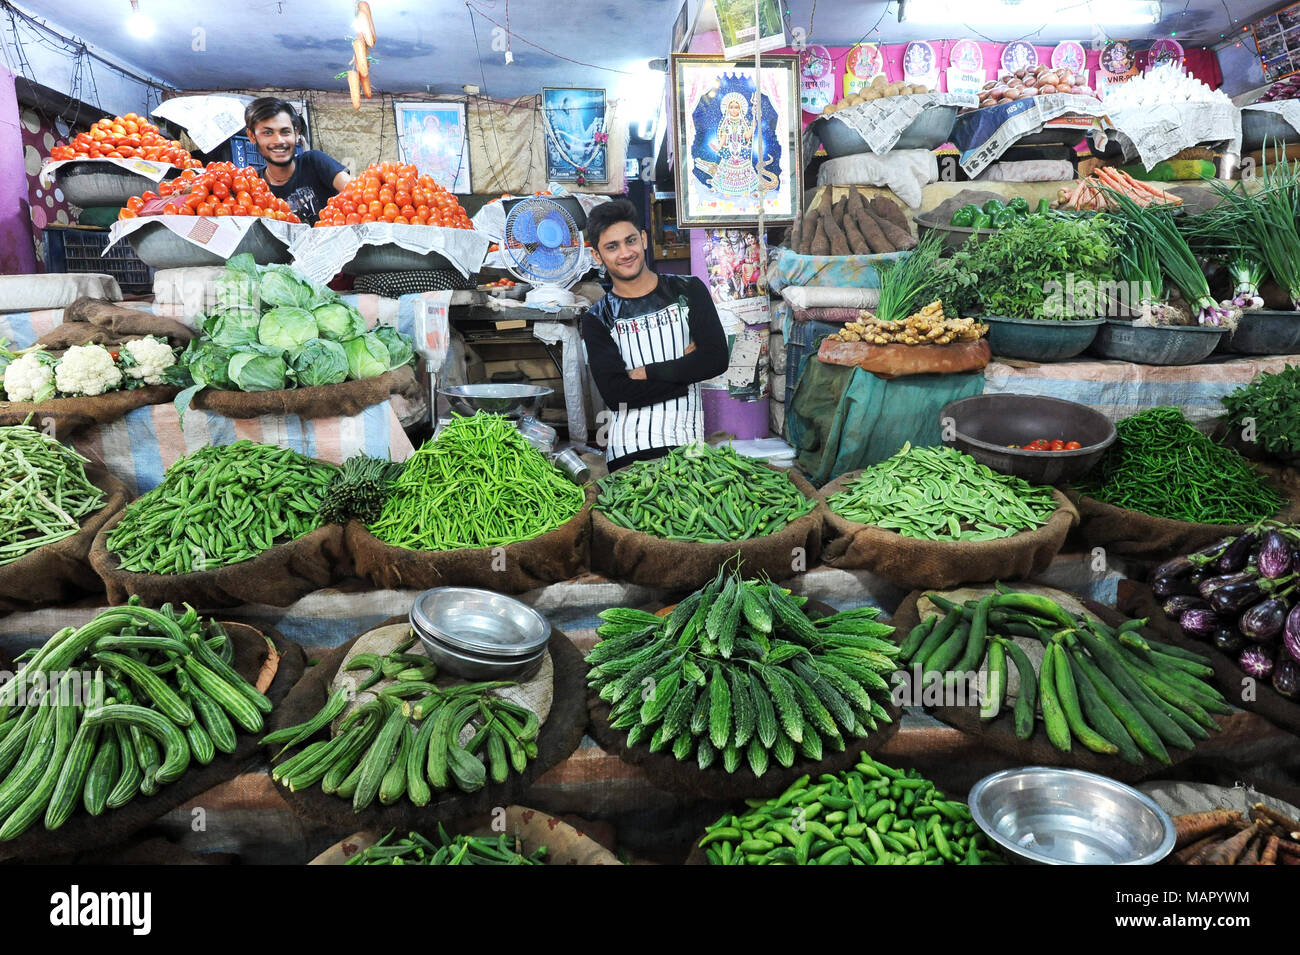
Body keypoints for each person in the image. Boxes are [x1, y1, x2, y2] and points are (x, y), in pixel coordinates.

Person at [580, 198, 730, 471]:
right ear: (597, 256)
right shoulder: (597, 319)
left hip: (686, 445)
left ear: (644, 239)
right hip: (628, 451)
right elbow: (617, 395)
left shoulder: (688, 290)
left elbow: (716, 359)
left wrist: (645, 372)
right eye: (612, 247)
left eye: (630, 240)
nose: (625, 253)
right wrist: (685, 374)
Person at [244, 97, 351, 225]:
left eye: (285, 132)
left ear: (295, 133)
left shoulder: (314, 162)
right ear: (252, 136)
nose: (279, 141)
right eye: (267, 133)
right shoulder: (252, 187)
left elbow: (355, 191)